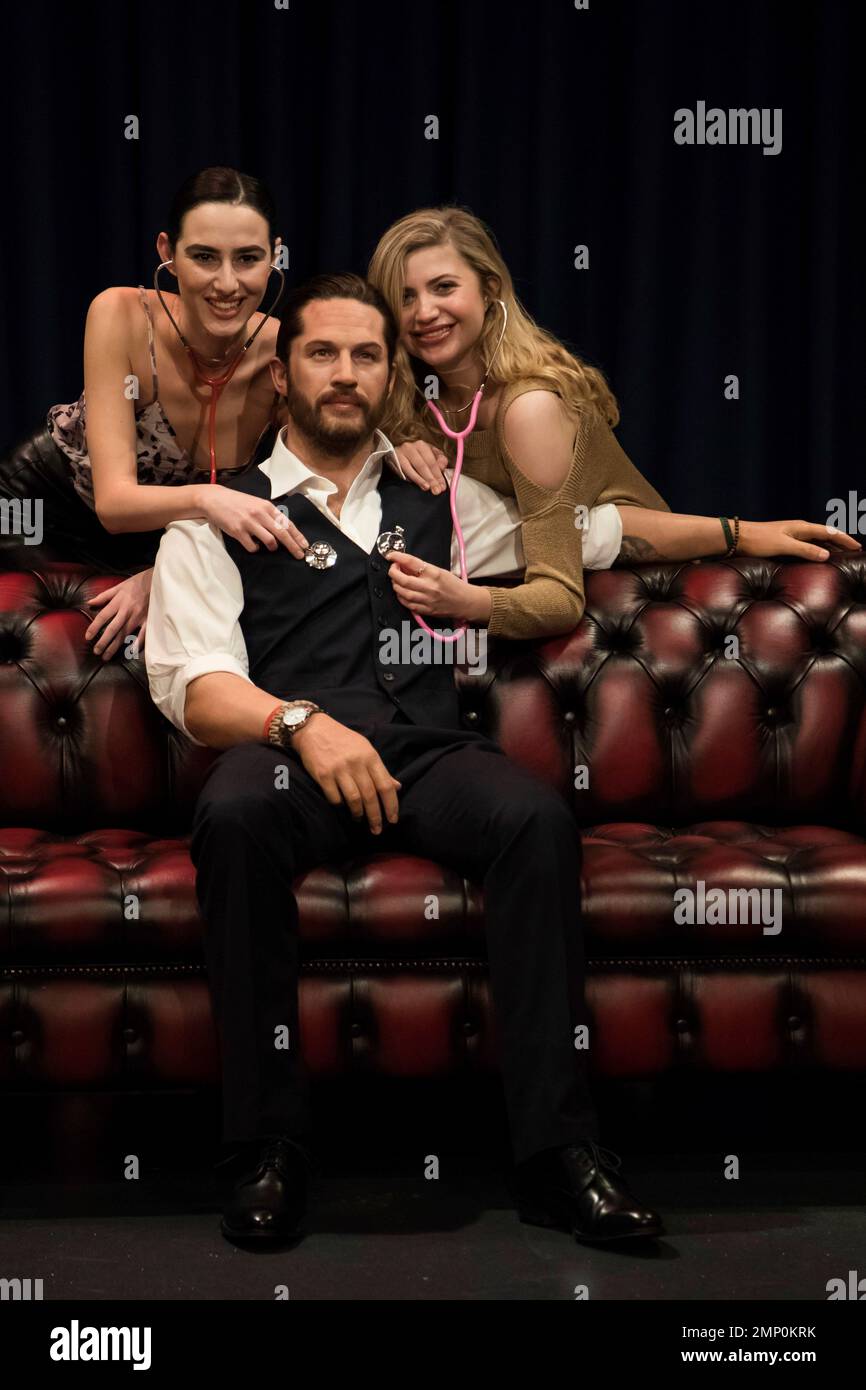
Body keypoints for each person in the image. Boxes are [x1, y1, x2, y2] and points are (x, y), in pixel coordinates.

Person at [145, 272, 664, 1249]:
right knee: (234, 815)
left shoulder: (451, 496)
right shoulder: (221, 513)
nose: (345, 374)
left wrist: (745, 531)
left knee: (535, 820)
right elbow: (198, 688)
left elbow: (598, 530)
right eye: (322, 352)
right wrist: (299, 723)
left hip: (427, 753)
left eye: (366, 355)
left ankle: (556, 1153)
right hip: (288, 753)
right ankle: (266, 1146)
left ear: (390, 372)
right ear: (284, 369)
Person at [365, 206, 860, 637]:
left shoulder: (528, 407)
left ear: (489, 289)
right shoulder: (404, 405)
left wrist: (465, 602)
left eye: (444, 287)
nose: (424, 312)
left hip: (620, 601)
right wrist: (392, 441)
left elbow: (559, 598)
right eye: (404, 297)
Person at [0, 166, 313, 661]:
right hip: (46, 512)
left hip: (163, 540)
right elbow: (116, 503)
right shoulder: (121, 315)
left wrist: (161, 572)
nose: (227, 283)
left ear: (274, 255)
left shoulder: (285, 350)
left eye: (248, 258)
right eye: (204, 257)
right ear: (167, 252)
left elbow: (304, 493)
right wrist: (210, 501)